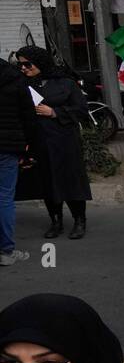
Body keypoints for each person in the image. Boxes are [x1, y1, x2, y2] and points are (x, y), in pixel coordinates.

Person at [16, 47, 91, 241]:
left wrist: (55, 112)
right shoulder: (22, 86)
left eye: (27, 64)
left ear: (39, 62)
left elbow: (81, 110)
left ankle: (79, 221)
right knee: (47, 182)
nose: (23, 68)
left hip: (65, 141)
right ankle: (56, 221)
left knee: (71, 180)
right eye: (20, 64)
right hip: (39, 142)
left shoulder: (65, 82)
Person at [0, 57, 39, 266]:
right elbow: (28, 117)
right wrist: (28, 146)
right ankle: (6, 251)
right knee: (4, 197)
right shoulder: (15, 79)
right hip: (8, 146)